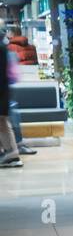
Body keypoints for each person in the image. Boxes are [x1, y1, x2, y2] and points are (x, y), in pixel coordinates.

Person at [0, 26, 20, 169]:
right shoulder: (4, 48)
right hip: (4, 91)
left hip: (1, 91)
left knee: (2, 123)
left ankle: (12, 153)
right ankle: (9, 152)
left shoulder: (2, 49)